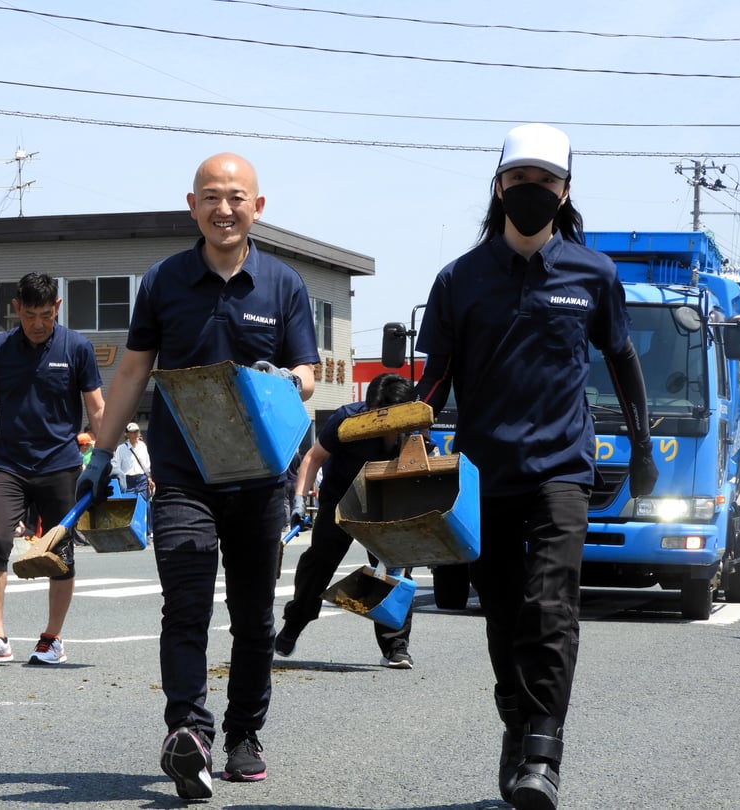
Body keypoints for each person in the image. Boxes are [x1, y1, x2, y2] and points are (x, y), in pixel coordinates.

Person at [414, 123, 658, 810]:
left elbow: (624, 360)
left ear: (565, 191)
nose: (532, 191)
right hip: (483, 472)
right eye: (520, 180)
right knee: (503, 614)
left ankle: (543, 752)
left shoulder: (593, 273)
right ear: (499, 186)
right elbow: (437, 377)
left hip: (562, 468)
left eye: (545, 182)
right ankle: (518, 724)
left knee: (551, 603)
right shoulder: (459, 279)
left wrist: (641, 449)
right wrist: (405, 418)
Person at [75, 153, 319, 800]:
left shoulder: (285, 285)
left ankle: (243, 733)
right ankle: (188, 733)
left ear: (258, 207)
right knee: (184, 605)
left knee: (253, 619)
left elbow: (309, 373)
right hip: (182, 473)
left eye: (237, 197)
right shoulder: (163, 281)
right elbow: (130, 373)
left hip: (261, 477)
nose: (224, 208)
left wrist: (288, 379)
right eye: (211, 197)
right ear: (192, 205)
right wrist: (100, 459)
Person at [0, 272, 104, 667]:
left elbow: (97, 407)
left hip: (62, 466)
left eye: (46, 315)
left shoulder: (77, 347)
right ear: (16, 308)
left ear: (58, 308)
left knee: (61, 553)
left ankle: (52, 639)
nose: (38, 324)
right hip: (10, 465)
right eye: (30, 314)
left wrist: (104, 462)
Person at [276, 373, 420, 669]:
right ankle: (293, 625)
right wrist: (300, 500)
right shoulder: (347, 418)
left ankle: (395, 647)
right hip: (340, 500)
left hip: (385, 504)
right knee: (318, 565)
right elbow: (313, 457)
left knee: (395, 570)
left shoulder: (414, 425)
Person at [115, 422, 154, 500]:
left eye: (136, 432)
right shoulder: (121, 448)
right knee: (130, 504)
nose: (135, 434)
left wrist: (149, 478)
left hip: (141, 479)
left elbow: (147, 464)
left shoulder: (143, 446)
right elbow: (117, 467)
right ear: (127, 434)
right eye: (132, 432)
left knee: (144, 502)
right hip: (128, 480)